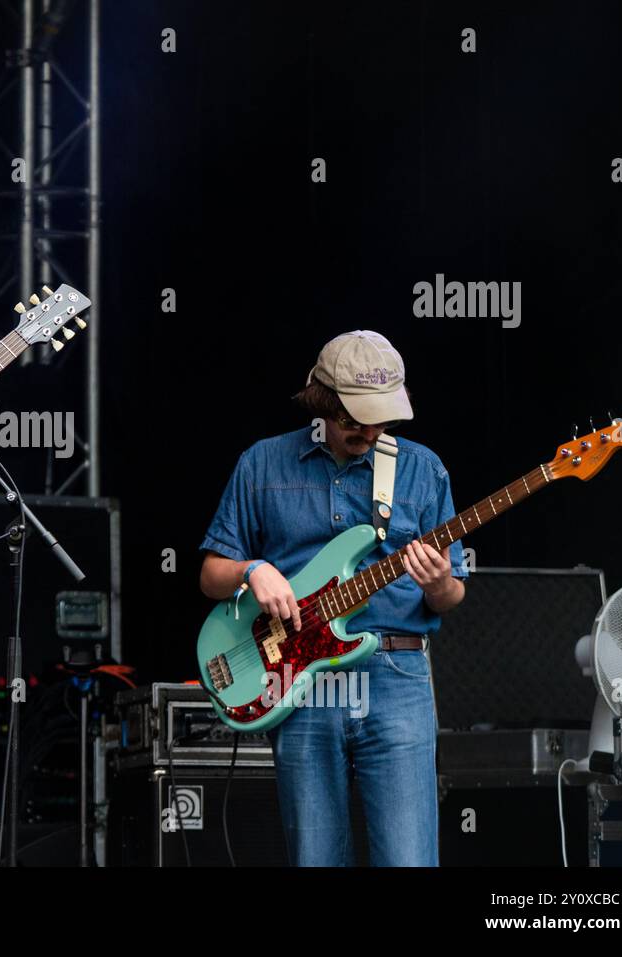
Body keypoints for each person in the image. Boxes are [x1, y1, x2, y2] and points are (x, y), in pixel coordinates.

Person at [199, 330, 467, 866]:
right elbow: (210, 576)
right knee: (315, 857)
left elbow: (450, 595)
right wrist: (254, 570)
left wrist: (438, 583)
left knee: (408, 858)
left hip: (397, 676)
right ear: (322, 403)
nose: (369, 431)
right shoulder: (261, 464)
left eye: (381, 418)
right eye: (354, 419)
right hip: (299, 680)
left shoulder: (422, 469)